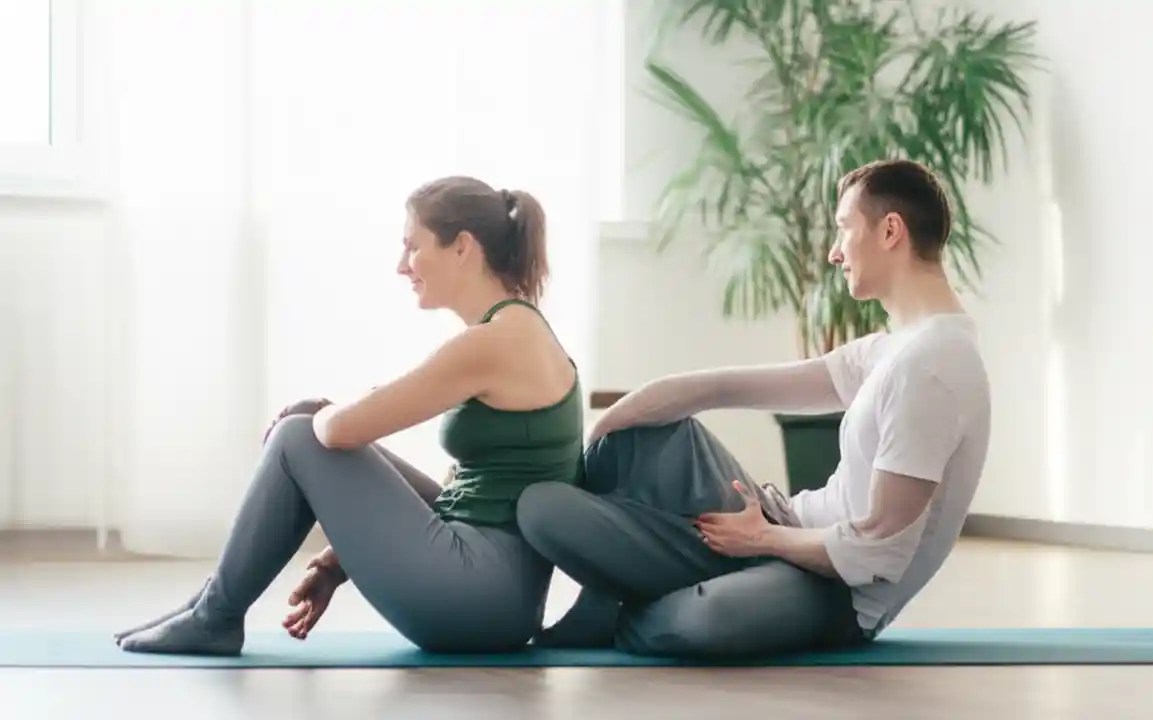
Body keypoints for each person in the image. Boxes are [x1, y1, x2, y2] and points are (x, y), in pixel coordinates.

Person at [516, 159, 991, 656]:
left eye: (843, 229)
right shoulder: (894, 349)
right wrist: (611, 422)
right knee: (612, 451)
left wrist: (762, 539)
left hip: (838, 592)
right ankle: (626, 589)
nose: (834, 252)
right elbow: (726, 388)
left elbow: (876, 551)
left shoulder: (934, 367)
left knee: (701, 620)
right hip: (781, 526)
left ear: (890, 230)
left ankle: (623, 601)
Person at [114, 176, 584, 655]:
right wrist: (337, 562)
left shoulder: (496, 341)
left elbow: (340, 430)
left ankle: (215, 616)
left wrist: (310, 422)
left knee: (302, 434)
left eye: (413, 247)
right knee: (309, 422)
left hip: (481, 597)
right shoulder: (515, 329)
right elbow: (469, 489)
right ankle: (209, 606)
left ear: (462, 247)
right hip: (497, 594)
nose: (402, 266)